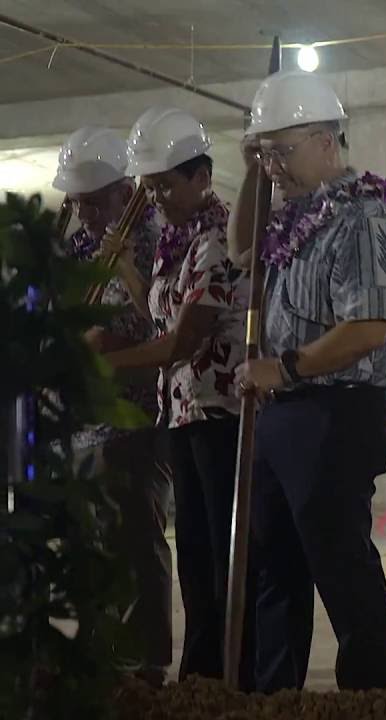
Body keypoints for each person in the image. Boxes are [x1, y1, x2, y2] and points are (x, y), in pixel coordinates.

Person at [231, 70, 386, 693]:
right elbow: (241, 248)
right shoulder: (288, 217)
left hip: (337, 411)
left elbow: (367, 328)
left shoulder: (363, 220)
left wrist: (285, 367)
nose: (273, 163)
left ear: (326, 141)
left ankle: (373, 693)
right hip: (284, 411)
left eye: (283, 149)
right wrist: (255, 166)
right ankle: (275, 694)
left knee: (341, 567)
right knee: (275, 568)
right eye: (265, 150)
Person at [101, 107, 254, 689]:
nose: (159, 197)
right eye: (153, 186)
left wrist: (102, 364)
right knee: (191, 548)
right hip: (184, 415)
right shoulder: (176, 240)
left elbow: (181, 342)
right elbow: (160, 318)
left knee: (219, 550)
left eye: (167, 184)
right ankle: (202, 669)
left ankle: (226, 671)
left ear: (203, 177)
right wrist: (130, 272)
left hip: (220, 415)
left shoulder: (218, 240)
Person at [53, 126, 172, 687]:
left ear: (126, 192)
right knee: (92, 544)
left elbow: (162, 325)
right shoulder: (79, 247)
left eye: (96, 201)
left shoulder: (155, 240)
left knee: (133, 541)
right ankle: (98, 650)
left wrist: (102, 343)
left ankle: (143, 659)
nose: (86, 214)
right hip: (80, 424)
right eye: (79, 204)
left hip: (133, 419)